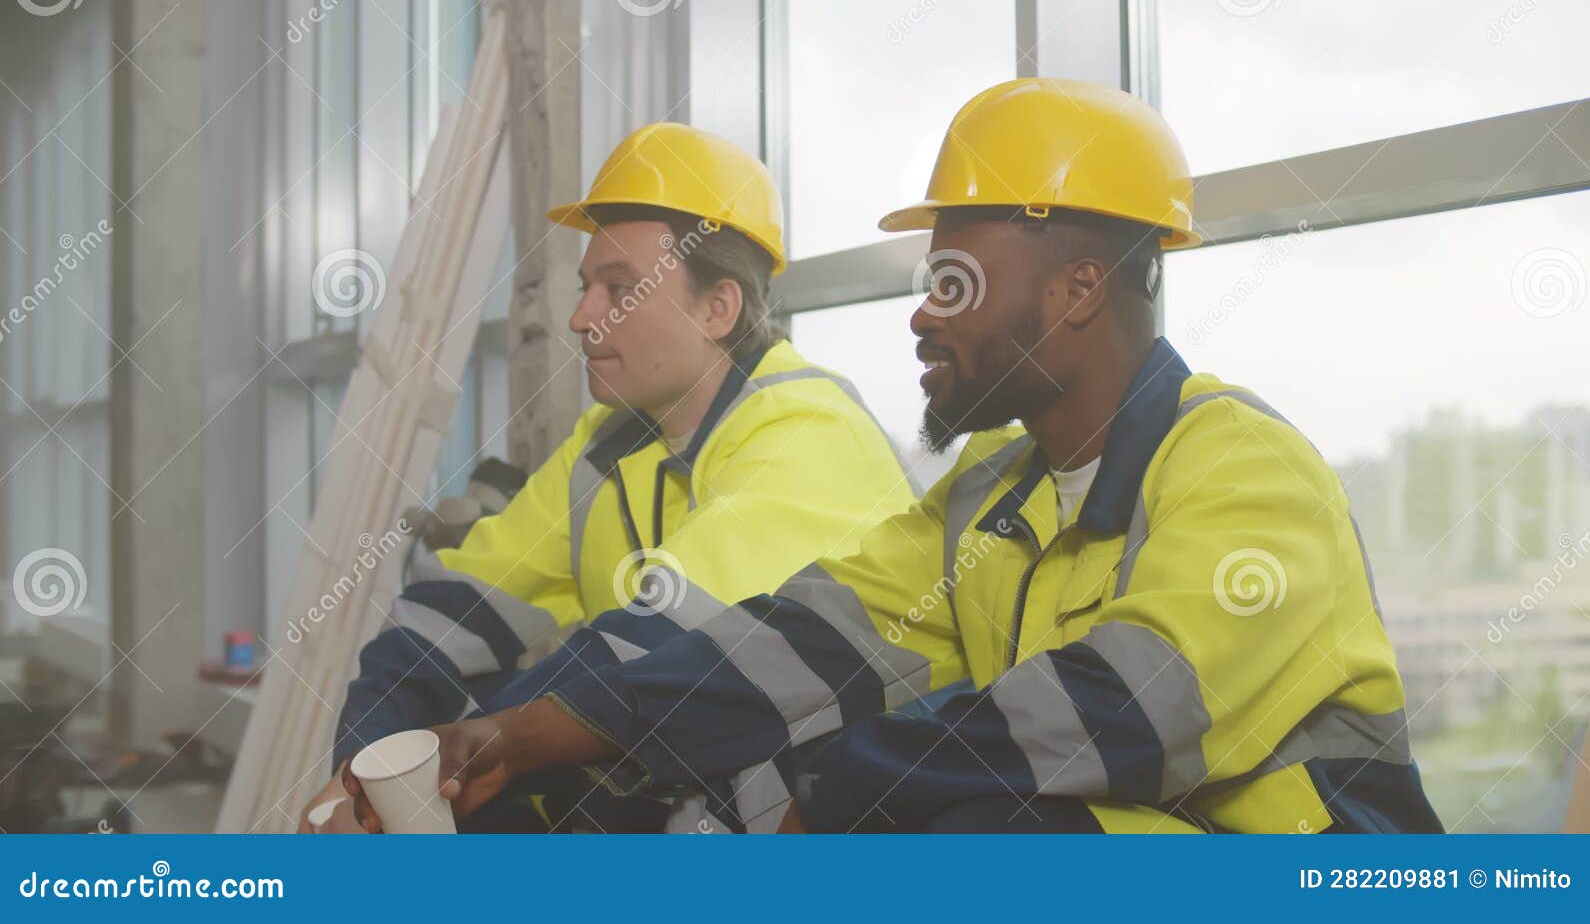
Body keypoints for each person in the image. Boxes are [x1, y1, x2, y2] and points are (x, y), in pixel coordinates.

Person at [346, 79, 1442, 834]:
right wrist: (523, 734)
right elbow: (795, 645)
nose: (922, 315)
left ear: (1077, 291)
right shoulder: (987, 500)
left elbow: (1132, 705)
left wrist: (846, 785)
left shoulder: (1244, 468)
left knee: (962, 824)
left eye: (955, 281)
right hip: (1128, 844)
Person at [298, 122, 918, 831]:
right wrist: (366, 766)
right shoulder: (609, 443)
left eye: (619, 289)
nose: (580, 316)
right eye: (586, 286)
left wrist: (460, 751)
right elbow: (449, 613)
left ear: (717, 308)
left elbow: (654, 654)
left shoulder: (810, 431)